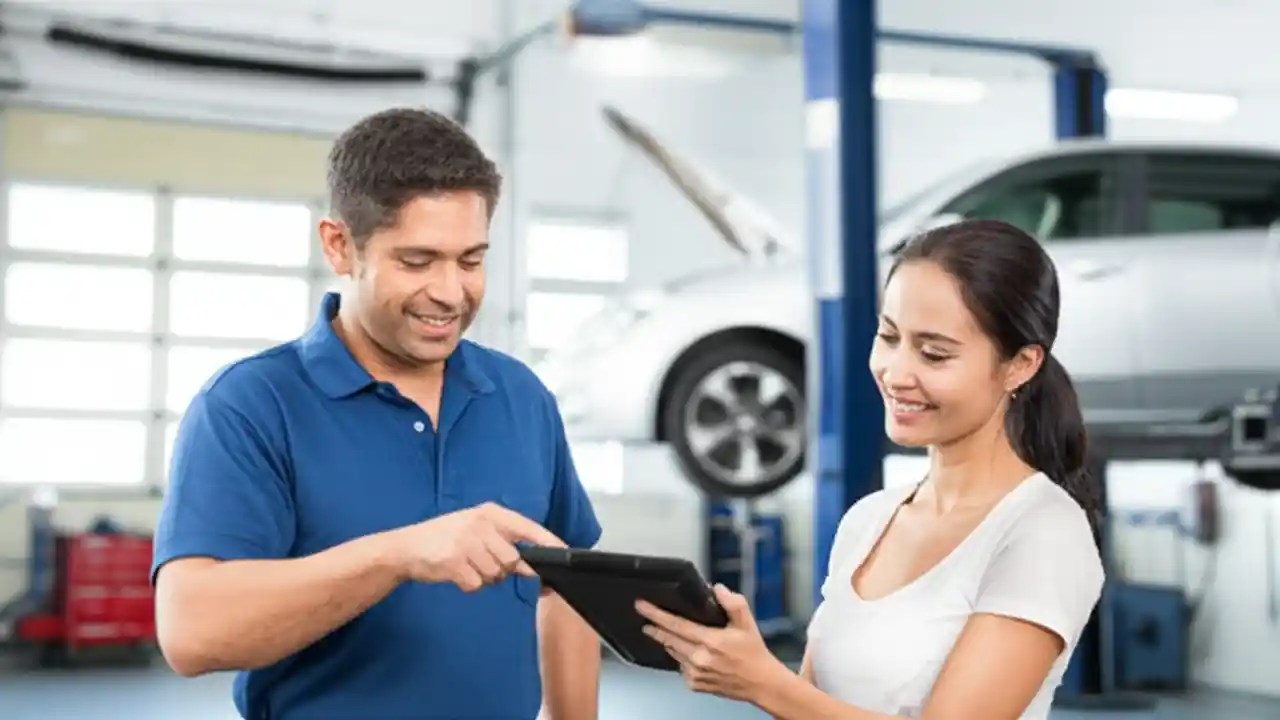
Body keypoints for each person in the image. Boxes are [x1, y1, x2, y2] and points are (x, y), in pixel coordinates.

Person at [152, 107, 603, 720]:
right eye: (417, 262)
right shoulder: (250, 405)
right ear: (341, 246)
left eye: (471, 260)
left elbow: (568, 584)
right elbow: (191, 633)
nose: (451, 292)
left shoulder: (521, 395)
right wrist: (396, 556)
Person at [636, 219, 1106, 719]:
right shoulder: (870, 519)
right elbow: (809, 707)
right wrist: (749, 668)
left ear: (1020, 365)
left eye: (934, 354)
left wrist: (764, 681)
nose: (896, 373)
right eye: (888, 337)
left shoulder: (1043, 532)